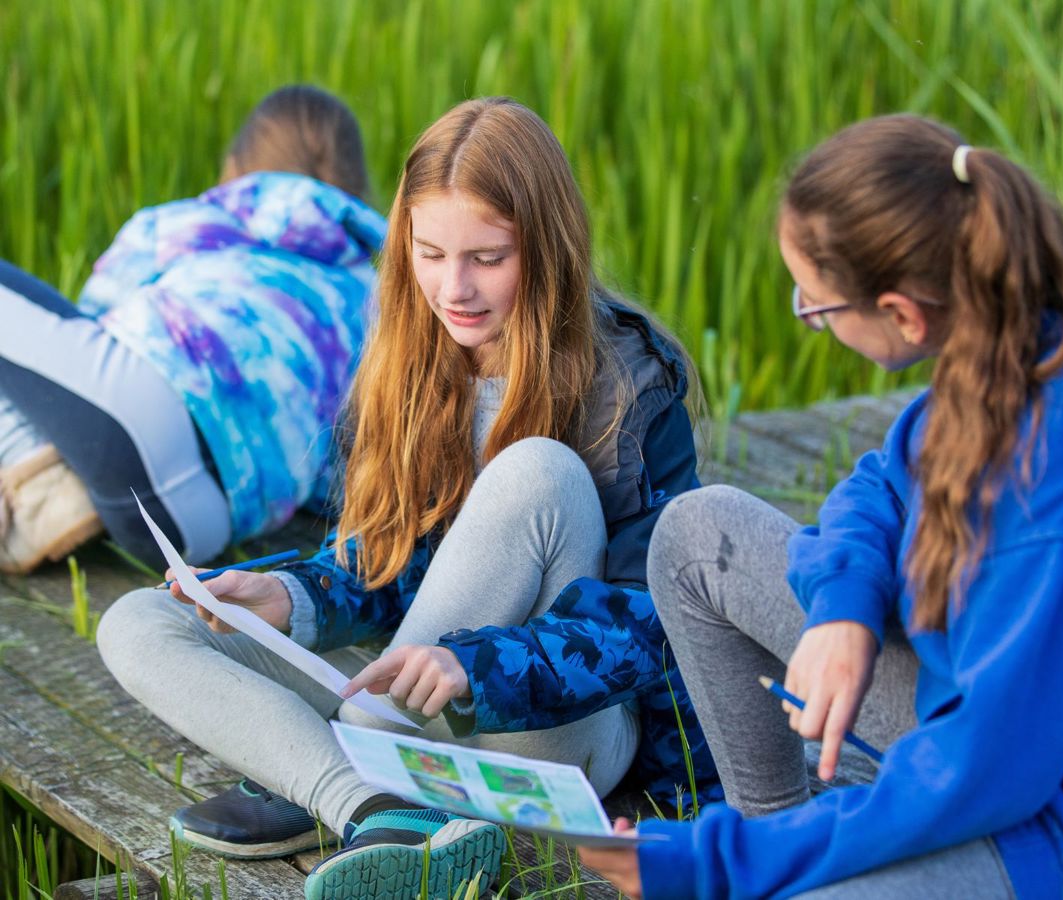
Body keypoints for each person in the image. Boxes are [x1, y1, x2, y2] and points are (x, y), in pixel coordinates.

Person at [97, 97, 720, 900]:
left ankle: (328, 761)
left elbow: (649, 623)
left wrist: (471, 667)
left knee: (539, 470)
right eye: (430, 254)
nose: (454, 288)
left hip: (553, 730)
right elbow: (390, 564)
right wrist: (292, 599)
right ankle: (369, 807)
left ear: (547, 248)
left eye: (487, 258)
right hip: (418, 700)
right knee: (139, 622)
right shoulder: (408, 360)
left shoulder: (629, 383)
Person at [580, 114, 1063, 898]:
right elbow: (883, 481)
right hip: (1004, 719)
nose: (811, 317)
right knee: (698, 537)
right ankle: (775, 831)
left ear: (903, 313)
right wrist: (844, 609)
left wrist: (712, 861)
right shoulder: (1029, 317)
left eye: (817, 307)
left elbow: (979, 775)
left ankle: (770, 861)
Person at [0, 84, 384, 573]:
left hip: (142, 420)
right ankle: (56, 486)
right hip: (203, 525)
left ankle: (32, 464)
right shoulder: (374, 297)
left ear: (235, 167)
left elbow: (83, 340)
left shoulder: (194, 220)